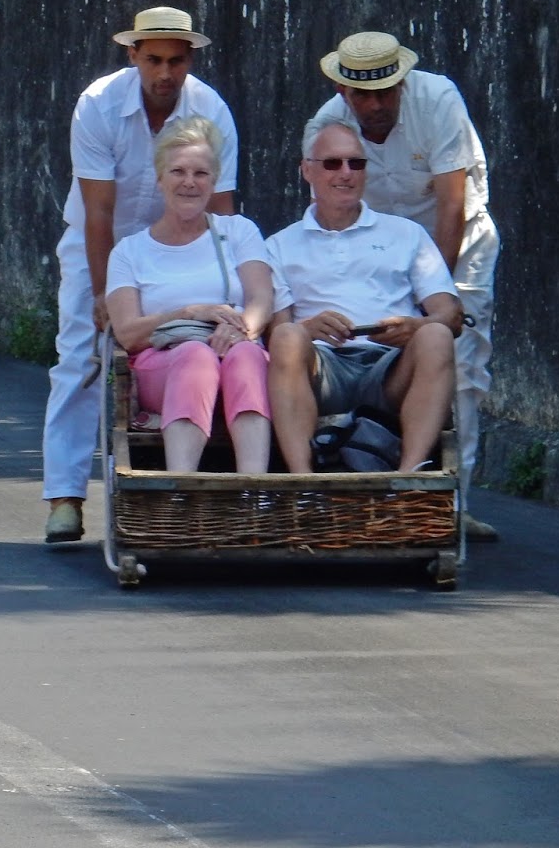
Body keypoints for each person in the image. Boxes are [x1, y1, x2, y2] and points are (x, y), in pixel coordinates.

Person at [43, 6, 239, 544]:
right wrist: (108, 293)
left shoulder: (212, 110)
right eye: (153, 59)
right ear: (133, 55)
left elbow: (222, 211)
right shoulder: (98, 104)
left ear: (189, 60)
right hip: (97, 242)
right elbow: (100, 212)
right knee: (81, 353)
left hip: (182, 243)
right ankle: (65, 497)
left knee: (199, 348)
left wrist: (226, 292)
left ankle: (201, 491)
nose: (165, 73)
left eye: (176, 61)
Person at [304, 30, 502, 540]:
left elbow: (452, 207)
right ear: (343, 91)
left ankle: (454, 502)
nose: (373, 105)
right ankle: (357, 488)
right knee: (357, 357)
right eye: (361, 95)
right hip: (376, 247)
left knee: (460, 365)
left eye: (384, 92)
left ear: (403, 82)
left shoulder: (438, 101)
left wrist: (430, 307)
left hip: (454, 244)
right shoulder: (326, 126)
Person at [265, 123, 462, 474]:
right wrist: (308, 328)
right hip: (321, 367)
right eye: (332, 164)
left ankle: (409, 477)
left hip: (391, 367)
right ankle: (302, 480)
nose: (345, 174)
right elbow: (276, 333)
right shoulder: (279, 245)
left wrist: (416, 326)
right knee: (287, 337)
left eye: (356, 164)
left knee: (437, 335)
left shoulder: (405, 233)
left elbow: (450, 314)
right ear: (306, 170)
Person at [105, 117, 271, 472]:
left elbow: (260, 297)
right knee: (195, 355)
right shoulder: (129, 252)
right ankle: (181, 483)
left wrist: (244, 330)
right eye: (178, 171)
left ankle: (253, 491)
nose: (189, 183)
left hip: (234, 352)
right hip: (165, 364)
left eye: (201, 173)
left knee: (246, 355)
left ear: (214, 180)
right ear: (160, 177)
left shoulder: (238, 231)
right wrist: (188, 312)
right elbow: (128, 332)